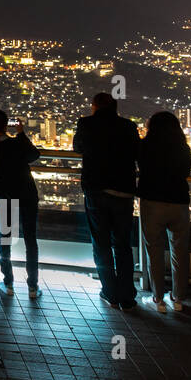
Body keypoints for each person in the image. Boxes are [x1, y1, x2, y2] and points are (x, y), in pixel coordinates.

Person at [73, 92, 139, 310]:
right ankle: (127, 296)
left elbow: (77, 148)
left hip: (96, 190)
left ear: (95, 106)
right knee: (122, 245)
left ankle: (110, 292)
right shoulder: (128, 126)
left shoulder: (86, 124)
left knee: (101, 243)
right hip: (123, 192)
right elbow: (138, 152)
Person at [0, 109, 42, 300]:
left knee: (5, 238)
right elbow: (34, 155)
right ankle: (32, 286)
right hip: (27, 195)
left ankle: (8, 282)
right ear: (6, 125)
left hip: (5, 196)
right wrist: (21, 133)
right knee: (30, 239)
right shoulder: (17, 143)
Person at [137, 111, 191, 313]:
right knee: (180, 251)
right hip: (179, 202)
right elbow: (186, 171)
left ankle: (158, 298)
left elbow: (140, 165)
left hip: (153, 202)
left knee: (155, 251)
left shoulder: (145, 146)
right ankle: (178, 298)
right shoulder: (182, 147)